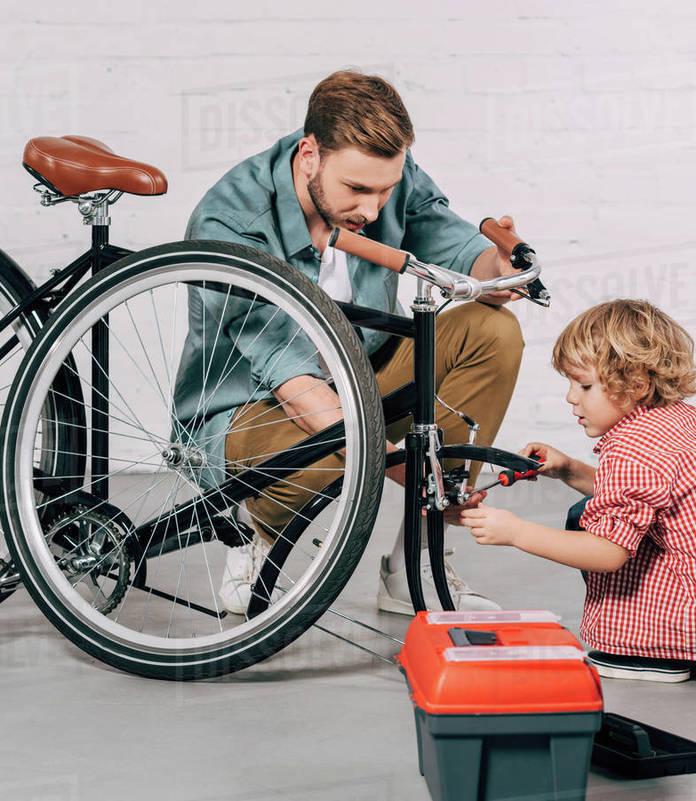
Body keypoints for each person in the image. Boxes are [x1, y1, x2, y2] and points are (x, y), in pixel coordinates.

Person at [175, 70, 530, 615]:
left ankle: (414, 558)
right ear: (309, 154)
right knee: (337, 452)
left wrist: (495, 269)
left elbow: (446, 236)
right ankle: (255, 531)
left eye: (384, 189)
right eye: (358, 190)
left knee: (491, 330)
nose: (372, 208)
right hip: (253, 412)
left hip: (361, 377)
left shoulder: (388, 176)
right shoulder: (230, 220)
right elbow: (289, 376)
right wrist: (399, 466)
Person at [459, 299, 696, 682]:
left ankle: (653, 652)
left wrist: (517, 532)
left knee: (583, 519)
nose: (571, 397)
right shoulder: (676, 421)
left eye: (584, 385)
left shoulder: (632, 449)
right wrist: (569, 469)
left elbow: (607, 552)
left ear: (635, 384)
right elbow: (646, 496)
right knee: (595, 509)